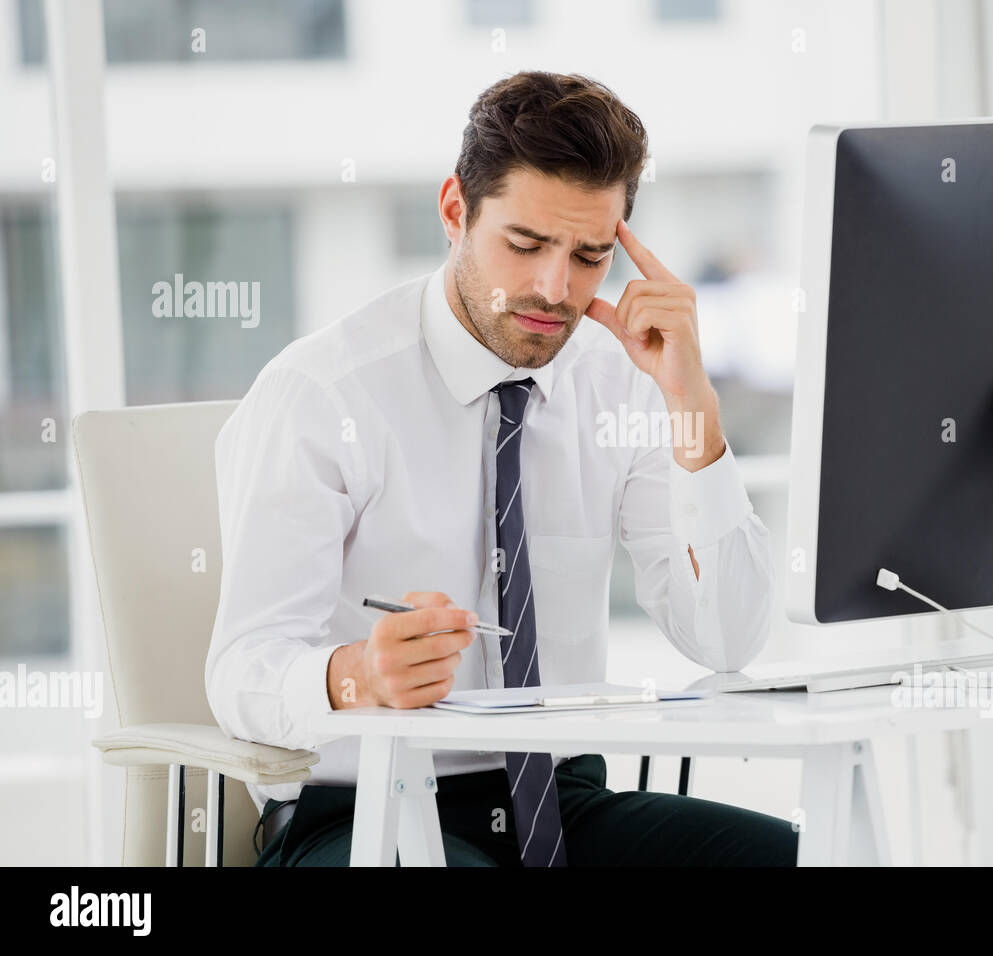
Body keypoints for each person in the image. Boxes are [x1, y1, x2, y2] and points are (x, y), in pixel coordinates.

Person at [205, 70, 794, 866]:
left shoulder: (623, 380)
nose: (555, 290)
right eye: (525, 245)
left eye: (590, 256)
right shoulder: (322, 393)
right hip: (365, 808)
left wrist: (694, 409)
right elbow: (242, 671)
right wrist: (359, 677)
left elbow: (727, 641)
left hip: (564, 798)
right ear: (456, 210)